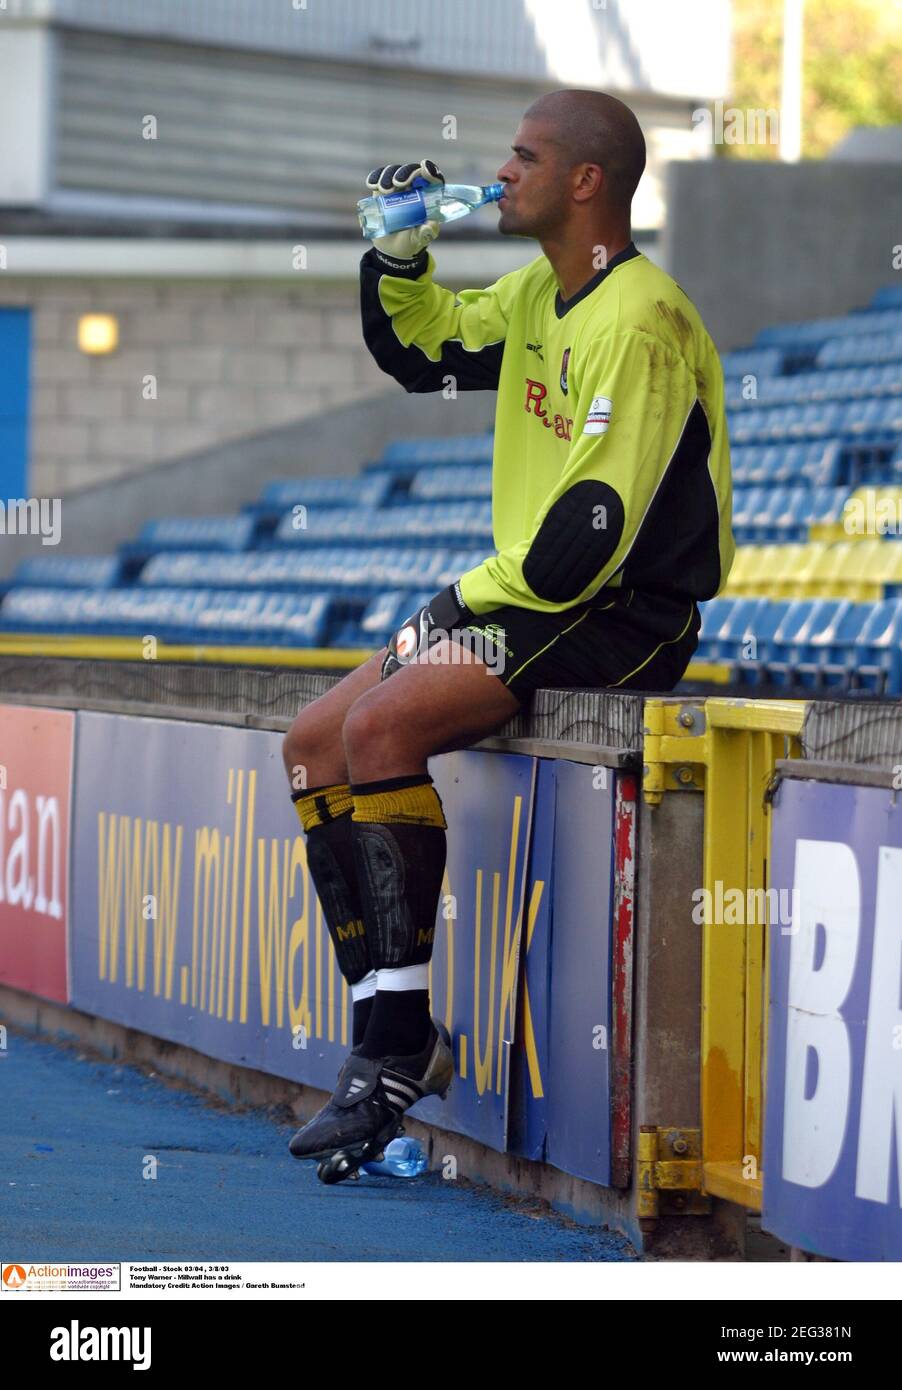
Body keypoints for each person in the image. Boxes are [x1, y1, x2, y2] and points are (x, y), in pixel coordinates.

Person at [285, 88, 734, 1167]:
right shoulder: (540, 290)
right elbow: (426, 353)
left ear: (585, 181)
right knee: (313, 745)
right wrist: (400, 259)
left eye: (522, 156)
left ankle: (392, 1052)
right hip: (525, 596)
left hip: (615, 610)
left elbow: (590, 539)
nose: (501, 169)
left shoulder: (642, 322)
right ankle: (392, 1032)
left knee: (380, 733)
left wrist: (454, 605)